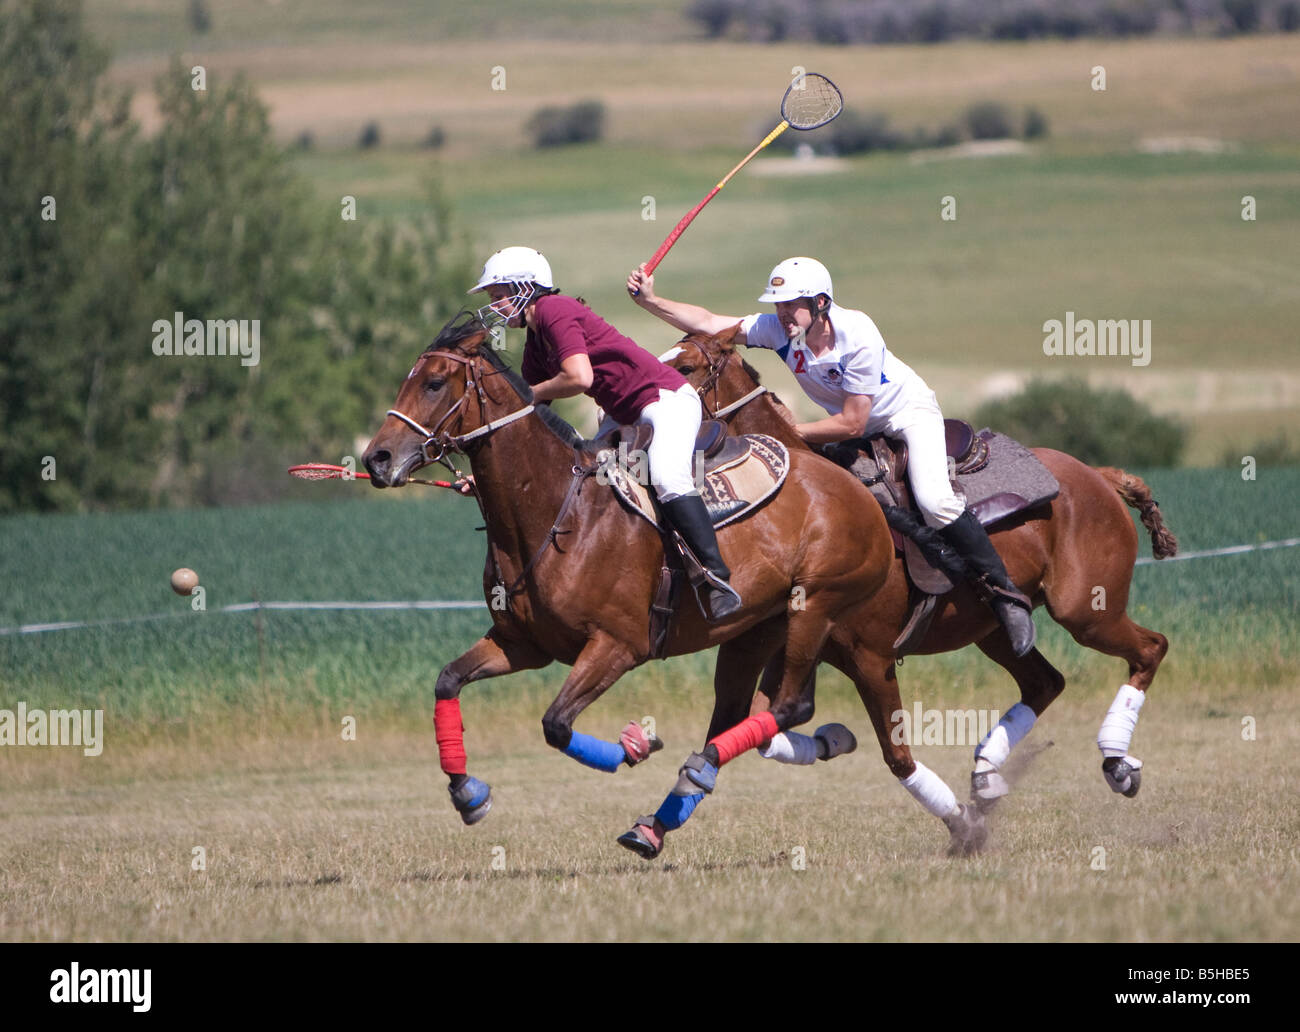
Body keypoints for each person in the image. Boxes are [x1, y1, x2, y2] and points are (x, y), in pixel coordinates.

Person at [627, 256, 1035, 656]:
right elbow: (710, 324)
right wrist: (650, 301)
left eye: (792, 305)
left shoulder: (857, 332)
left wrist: (790, 432)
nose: (782, 314)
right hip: (847, 424)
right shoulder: (780, 330)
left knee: (934, 499)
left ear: (820, 303)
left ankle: (1005, 596)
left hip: (906, 417)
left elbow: (854, 423)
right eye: (778, 305)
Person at [468, 246, 741, 622]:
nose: (495, 306)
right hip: (621, 413)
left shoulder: (554, 310)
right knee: (587, 476)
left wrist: (532, 393)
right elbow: (527, 415)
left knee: (664, 473)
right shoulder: (535, 339)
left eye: (498, 296)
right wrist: (488, 475)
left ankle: (716, 579)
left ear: (524, 288)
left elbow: (580, 378)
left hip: (665, 399)